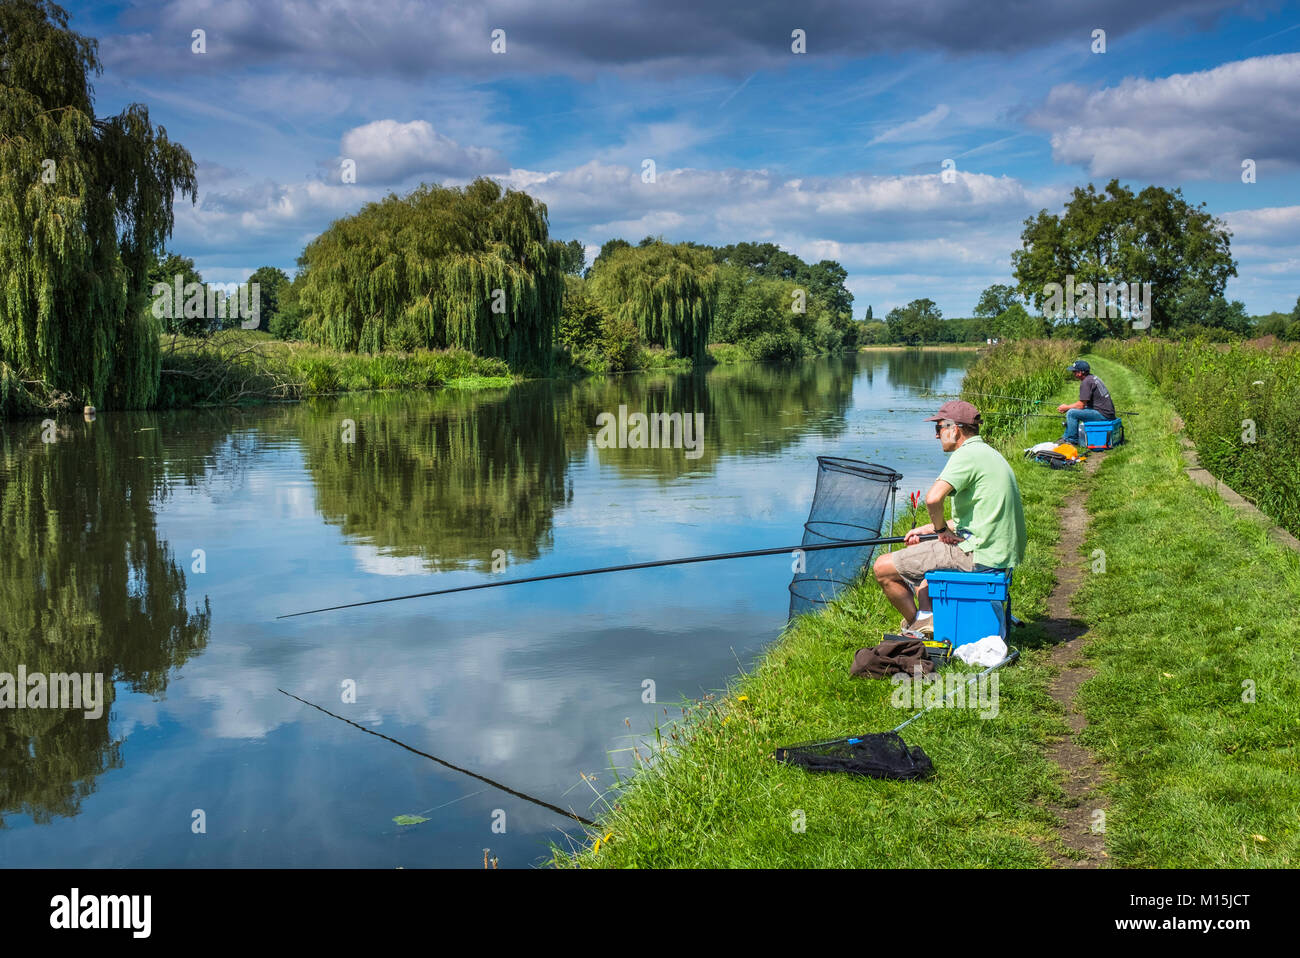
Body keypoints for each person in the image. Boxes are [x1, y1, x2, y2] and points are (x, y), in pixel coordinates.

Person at [872, 400, 1027, 636]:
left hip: (980, 554)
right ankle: (928, 618)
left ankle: (919, 624)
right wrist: (927, 530)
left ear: (955, 429)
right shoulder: (988, 453)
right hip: (998, 550)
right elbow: (976, 517)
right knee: (924, 575)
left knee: (882, 567)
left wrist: (941, 530)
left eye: (939, 428)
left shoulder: (965, 455)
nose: (937, 436)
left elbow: (933, 499)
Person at [1057, 360, 1116, 446]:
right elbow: (1083, 404)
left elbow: (1081, 405)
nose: (1073, 373)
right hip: (1107, 412)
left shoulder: (1086, 382)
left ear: (1080, 372)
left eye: (1074, 371)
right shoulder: (1092, 378)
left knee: (1071, 413)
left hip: (1103, 415)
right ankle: (1066, 437)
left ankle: (1071, 441)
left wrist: (1066, 407)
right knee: (1073, 410)